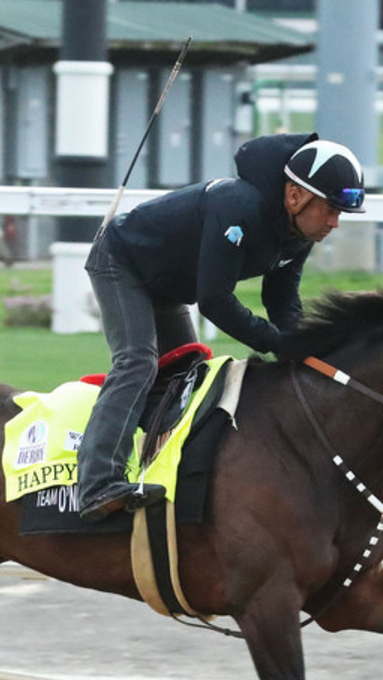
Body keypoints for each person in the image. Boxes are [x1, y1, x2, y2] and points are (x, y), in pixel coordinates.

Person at [75, 132, 367, 523]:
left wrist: (303, 348)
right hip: (121, 262)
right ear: (296, 196)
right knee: (138, 362)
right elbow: (214, 301)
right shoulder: (240, 208)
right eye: (330, 210)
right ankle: (96, 483)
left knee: (188, 379)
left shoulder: (299, 233)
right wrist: (277, 343)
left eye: (340, 213)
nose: (335, 223)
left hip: (166, 287)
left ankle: (162, 470)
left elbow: (281, 301)